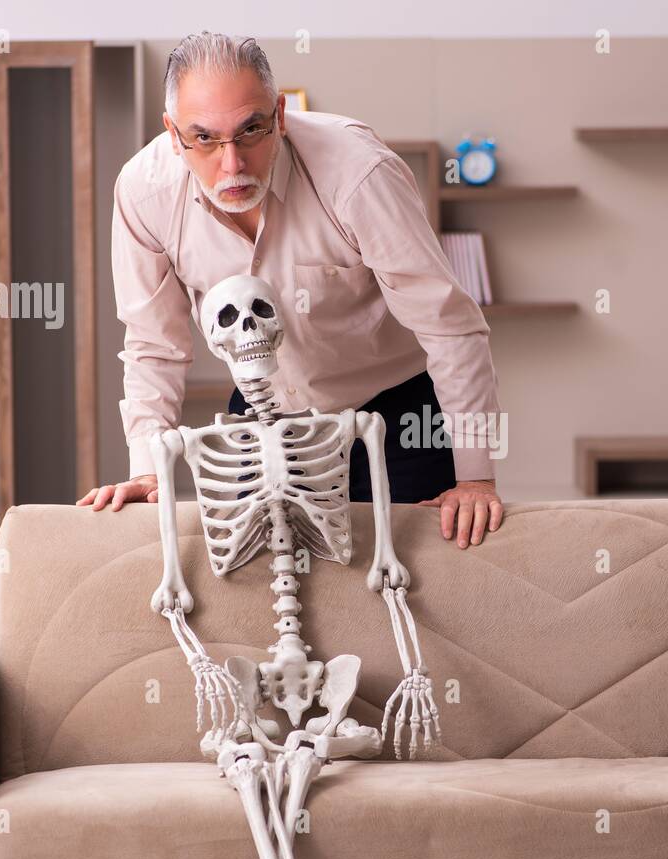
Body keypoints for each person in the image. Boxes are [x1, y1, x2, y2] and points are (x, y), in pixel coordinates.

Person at [77, 32, 504, 548]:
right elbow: (153, 346)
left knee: (421, 580)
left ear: (279, 115)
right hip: (264, 407)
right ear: (173, 133)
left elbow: (448, 324)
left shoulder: (358, 173)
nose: (231, 165)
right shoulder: (145, 194)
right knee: (249, 579)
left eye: (250, 131)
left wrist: (476, 478)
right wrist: (148, 470)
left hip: (398, 409)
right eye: (205, 138)